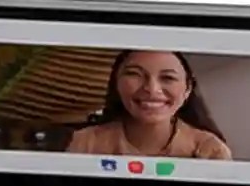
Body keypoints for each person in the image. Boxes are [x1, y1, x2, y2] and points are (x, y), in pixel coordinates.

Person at [66, 50, 232, 160]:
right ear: (116, 83)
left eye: (168, 78)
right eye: (135, 74)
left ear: (187, 89)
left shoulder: (210, 150)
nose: (152, 89)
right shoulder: (86, 143)